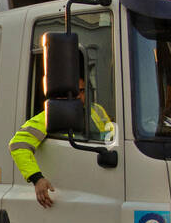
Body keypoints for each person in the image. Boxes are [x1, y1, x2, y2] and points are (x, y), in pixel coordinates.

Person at [9, 55, 113, 208]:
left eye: (83, 91)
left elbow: (110, 136)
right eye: (74, 92)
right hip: (68, 187)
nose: (80, 96)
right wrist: (37, 179)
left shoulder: (96, 110)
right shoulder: (50, 116)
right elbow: (18, 144)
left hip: (99, 181)